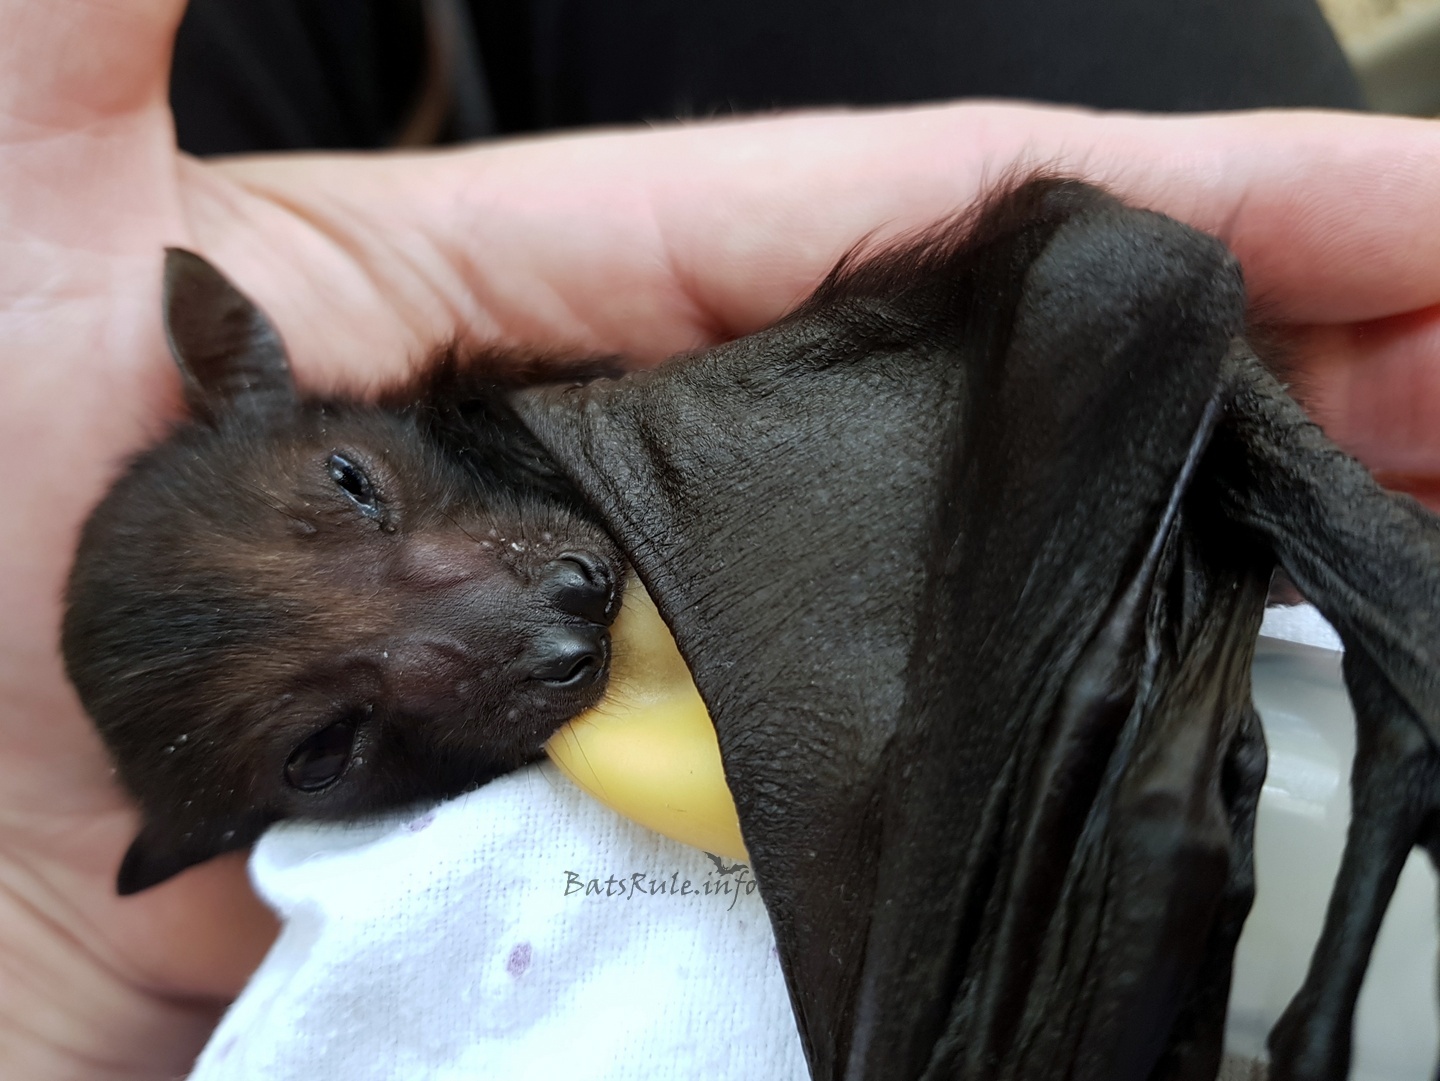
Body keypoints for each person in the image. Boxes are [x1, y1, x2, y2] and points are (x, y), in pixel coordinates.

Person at [2, 0, 1439, 1077]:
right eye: (327, 739)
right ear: (251, 823)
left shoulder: (654, 445)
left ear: (263, 366)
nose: (493, 623)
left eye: (360, 497)